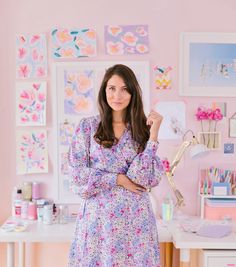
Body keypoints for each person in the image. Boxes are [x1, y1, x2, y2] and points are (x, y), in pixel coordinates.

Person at [68, 64, 164, 267]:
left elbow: (146, 179)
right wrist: (118, 179)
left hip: (135, 223)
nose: (117, 95)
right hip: (98, 225)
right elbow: (76, 176)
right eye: (111, 88)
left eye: (124, 89)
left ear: (133, 92)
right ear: (104, 91)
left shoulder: (142, 130)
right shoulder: (87, 127)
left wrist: (153, 136)